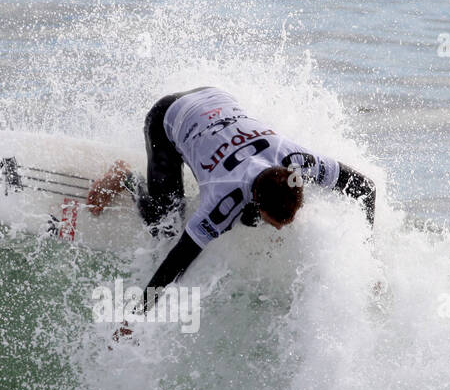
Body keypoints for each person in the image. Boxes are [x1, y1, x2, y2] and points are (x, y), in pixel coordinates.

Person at [87, 86, 377, 327]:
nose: (278, 227)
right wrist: (133, 319)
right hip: (167, 118)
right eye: (275, 221)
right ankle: (124, 177)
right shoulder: (221, 199)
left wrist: (367, 253)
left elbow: (367, 189)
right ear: (259, 203)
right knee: (165, 230)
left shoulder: (298, 161)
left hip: (213, 98)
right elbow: (174, 264)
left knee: (248, 219)